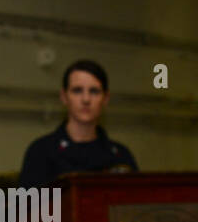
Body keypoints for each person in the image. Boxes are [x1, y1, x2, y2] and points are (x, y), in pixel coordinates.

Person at [18, 60, 138, 188]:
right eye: (77, 90)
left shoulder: (121, 156)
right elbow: (28, 207)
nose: (86, 99)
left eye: (94, 91)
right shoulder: (41, 153)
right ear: (64, 96)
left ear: (106, 98)